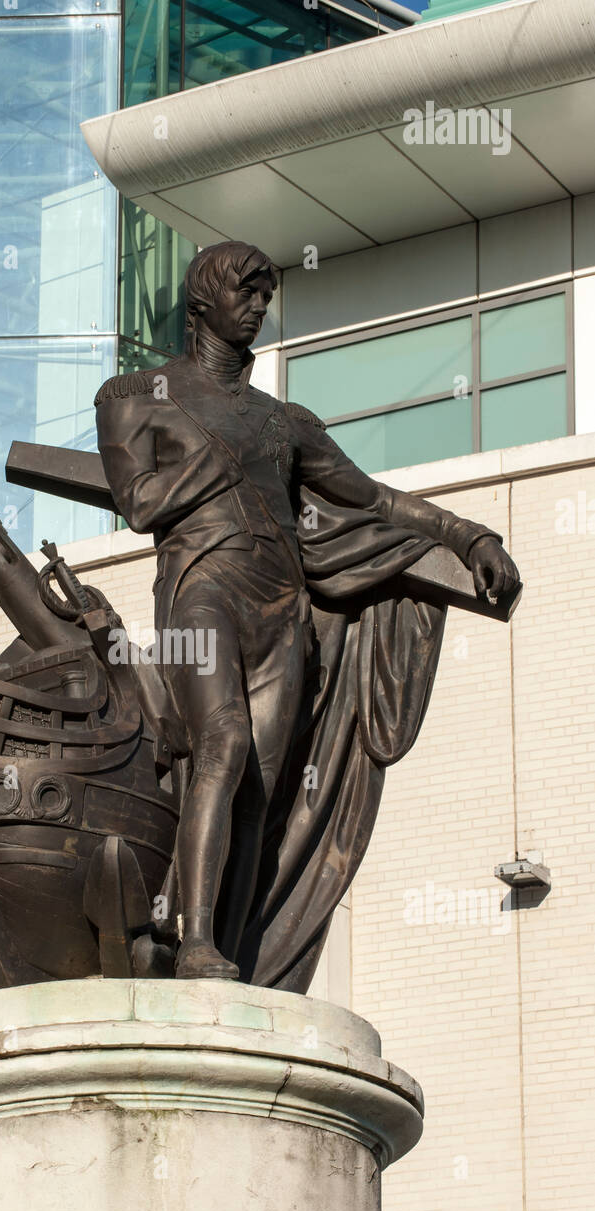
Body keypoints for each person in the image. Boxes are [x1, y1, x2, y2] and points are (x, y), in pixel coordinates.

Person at [95, 242, 519, 981]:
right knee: (221, 746)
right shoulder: (136, 393)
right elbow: (137, 504)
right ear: (202, 304)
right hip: (202, 586)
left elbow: (373, 498)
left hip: (280, 603)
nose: (260, 306)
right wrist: (217, 457)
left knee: (262, 783)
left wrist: (466, 533)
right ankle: (190, 941)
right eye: (246, 292)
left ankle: (230, 946)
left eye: (266, 294)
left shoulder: (283, 420)